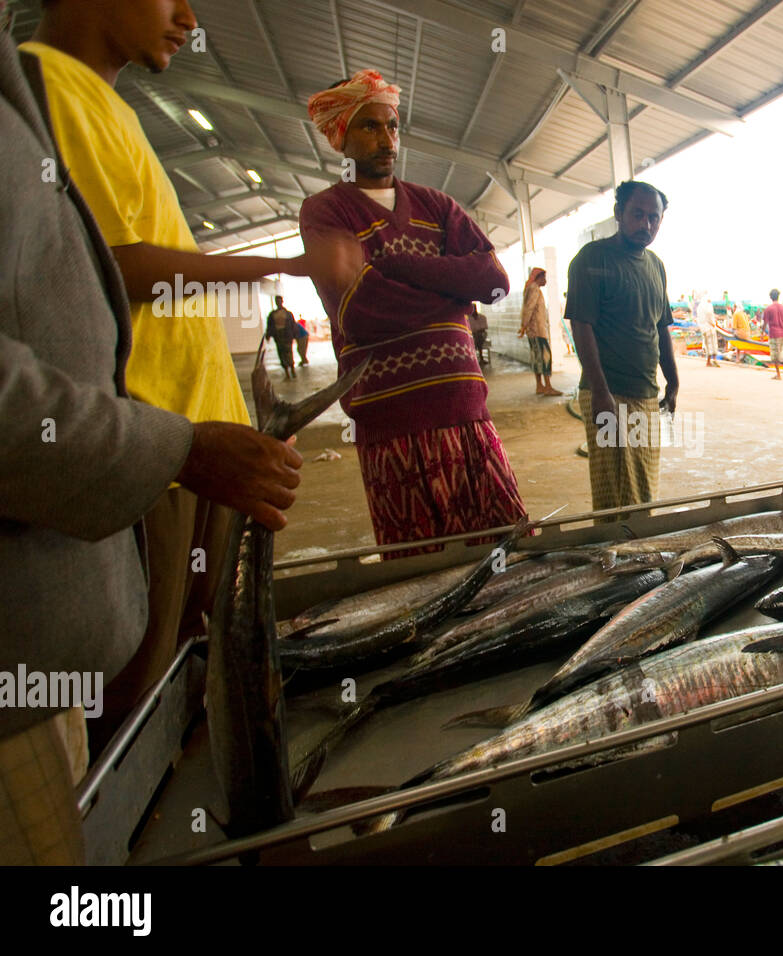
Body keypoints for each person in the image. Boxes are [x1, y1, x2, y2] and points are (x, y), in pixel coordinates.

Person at [0, 21, 303, 864]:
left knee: (197, 695)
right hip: (156, 452)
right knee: (140, 715)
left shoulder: (102, 105)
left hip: (193, 446)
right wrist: (282, 268)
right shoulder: (49, 81)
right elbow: (132, 266)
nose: (189, 18)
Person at [299, 70, 527, 558]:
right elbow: (360, 307)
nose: (387, 140)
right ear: (341, 135)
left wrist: (398, 265)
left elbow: (493, 280)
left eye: (393, 127)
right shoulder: (325, 213)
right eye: (369, 127)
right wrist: (451, 291)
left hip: (465, 406)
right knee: (417, 570)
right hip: (390, 419)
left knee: (503, 555)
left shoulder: (436, 205)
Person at [566, 180, 679, 514]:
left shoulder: (655, 265)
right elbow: (581, 326)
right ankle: (616, 558)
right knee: (617, 495)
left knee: (642, 490)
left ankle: (634, 558)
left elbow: (661, 327)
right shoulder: (592, 259)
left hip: (645, 394)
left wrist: (673, 382)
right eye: (637, 214)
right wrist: (601, 392)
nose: (645, 224)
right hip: (609, 393)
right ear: (619, 213)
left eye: (653, 218)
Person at [518, 267, 562, 396]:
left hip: (534, 330)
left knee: (537, 357)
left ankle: (540, 386)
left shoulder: (531, 289)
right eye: (544, 278)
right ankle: (547, 386)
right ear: (539, 278)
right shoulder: (534, 289)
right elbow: (529, 308)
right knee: (544, 357)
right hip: (537, 330)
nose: (546, 281)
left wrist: (524, 327)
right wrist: (524, 326)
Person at [762, 288, 783, 379]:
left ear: (771, 297)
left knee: (775, 354)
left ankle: (779, 374)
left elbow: (765, 323)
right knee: (781, 351)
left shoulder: (768, 309)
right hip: (782, 333)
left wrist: (762, 332)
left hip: (774, 333)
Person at [265, 295, 297, 379]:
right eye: (277, 301)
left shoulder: (288, 313)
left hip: (287, 336)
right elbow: (270, 325)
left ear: (282, 301)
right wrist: (268, 334)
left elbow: (293, 325)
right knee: (281, 353)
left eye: (279, 301)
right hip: (278, 336)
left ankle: (292, 369)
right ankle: (287, 372)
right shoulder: (272, 314)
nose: (278, 303)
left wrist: (294, 335)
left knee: (289, 352)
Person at [693, 289, 720, 367]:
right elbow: (709, 314)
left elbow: (699, 318)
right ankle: (714, 359)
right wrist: (713, 323)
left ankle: (708, 361)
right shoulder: (708, 304)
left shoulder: (699, 307)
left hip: (703, 328)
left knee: (707, 345)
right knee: (713, 343)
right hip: (709, 327)